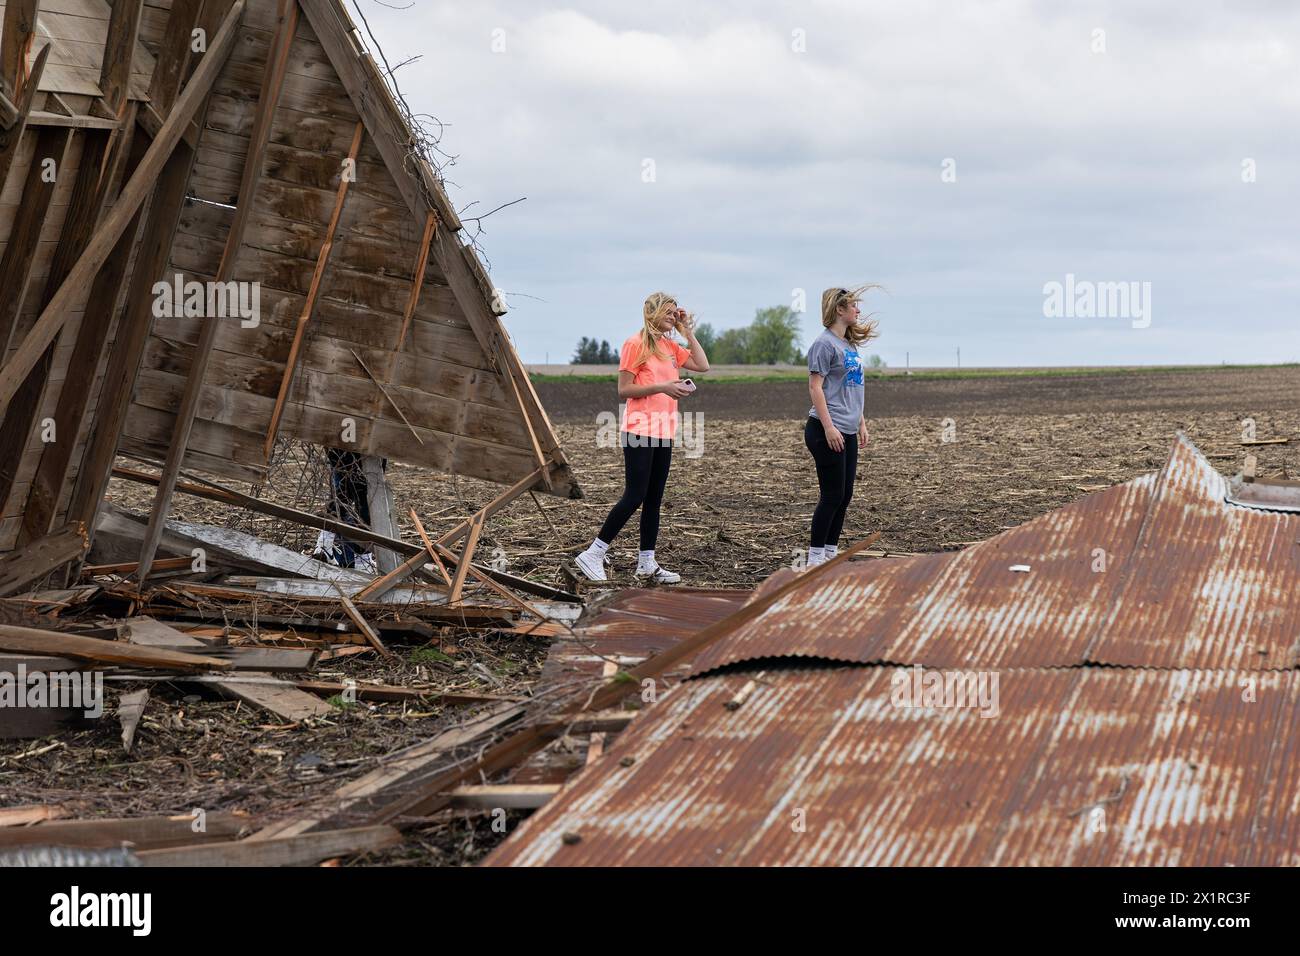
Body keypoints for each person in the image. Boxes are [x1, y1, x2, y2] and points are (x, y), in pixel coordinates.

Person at [575, 292, 710, 583]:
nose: (673, 317)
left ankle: (646, 563)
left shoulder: (671, 346)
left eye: (676, 313)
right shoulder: (635, 344)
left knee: (653, 499)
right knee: (634, 495)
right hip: (639, 430)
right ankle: (593, 553)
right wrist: (663, 387)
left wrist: (687, 331)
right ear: (652, 312)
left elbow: (703, 364)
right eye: (669, 312)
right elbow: (624, 390)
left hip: (664, 430)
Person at [804, 286, 878, 567]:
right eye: (854, 306)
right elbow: (815, 387)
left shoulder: (849, 345)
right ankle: (814, 560)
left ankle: (830, 555)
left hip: (847, 429)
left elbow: (852, 386)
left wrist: (861, 422)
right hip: (826, 431)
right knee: (832, 494)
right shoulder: (824, 344)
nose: (858, 310)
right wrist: (829, 427)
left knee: (845, 494)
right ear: (840, 310)